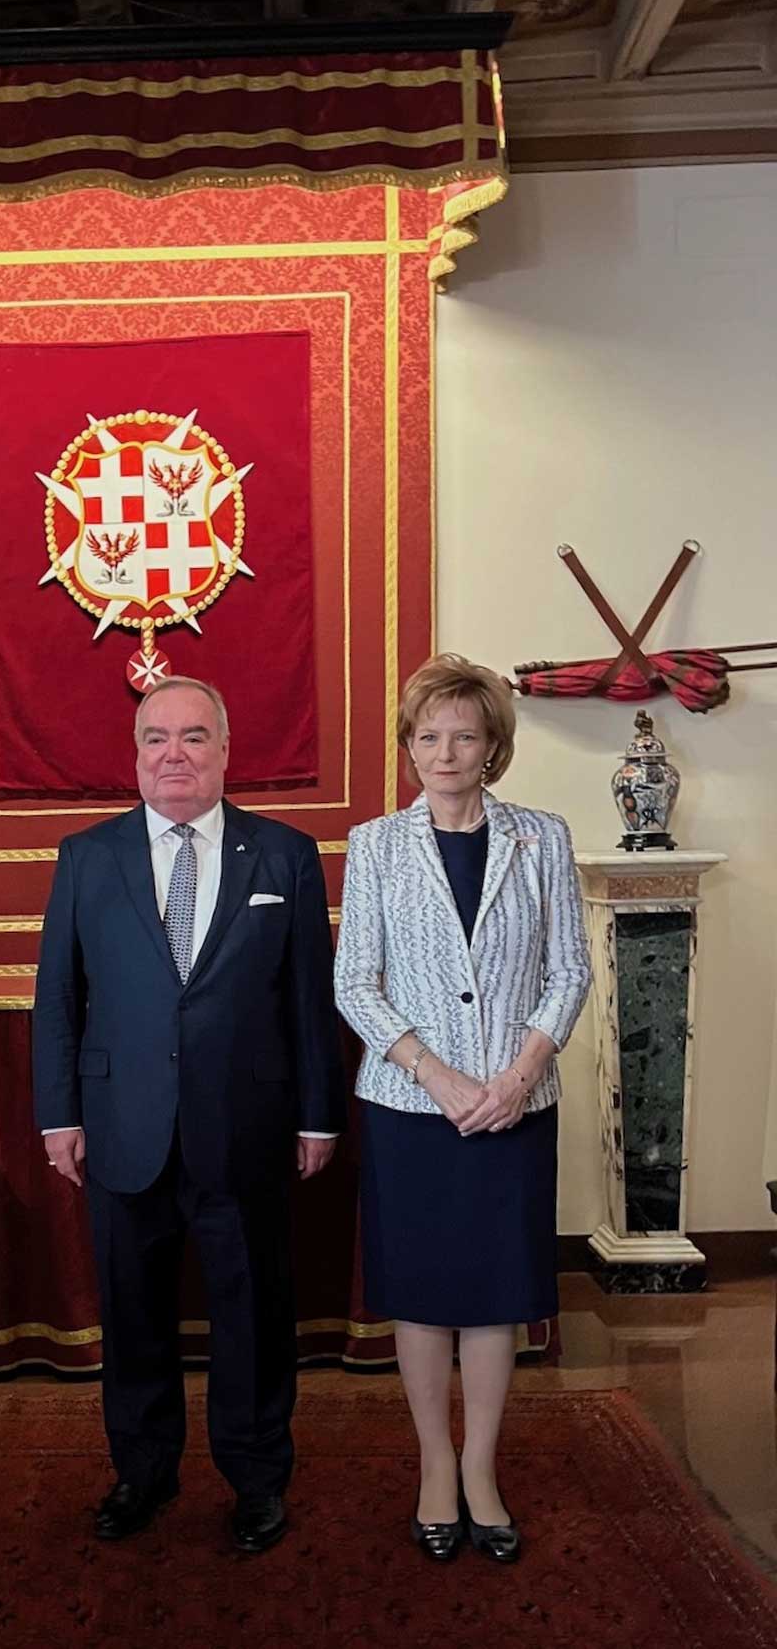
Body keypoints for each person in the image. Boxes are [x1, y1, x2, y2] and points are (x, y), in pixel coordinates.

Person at [33, 676, 345, 1554]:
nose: (175, 754)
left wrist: (318, 1116)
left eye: (194, 737)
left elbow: (308, 1000)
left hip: (247, 1130)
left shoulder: (284, 855)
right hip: (121, 1128)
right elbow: (58, 997)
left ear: (225, 750)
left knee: (254, 1316)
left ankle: (257, 1477)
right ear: (136, 755)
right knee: (133, 1315)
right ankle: (143, 1471)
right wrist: (57, 1115)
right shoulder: (86, 857)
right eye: (157, 738)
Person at [334, 654, 590, 1565]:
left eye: (464, 737)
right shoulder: (375, 844)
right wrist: (436, 1076)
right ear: (408, 747)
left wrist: (517, 1076)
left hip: (515, 1104)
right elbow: (355, 983)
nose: (445, 752)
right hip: (412, 1107)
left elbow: (570, 970)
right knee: (422, 1292)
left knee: (492, 1294)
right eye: (428, 736)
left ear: (493, 749)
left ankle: (481, 1468)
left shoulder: (542, 837)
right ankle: (434, 1465)